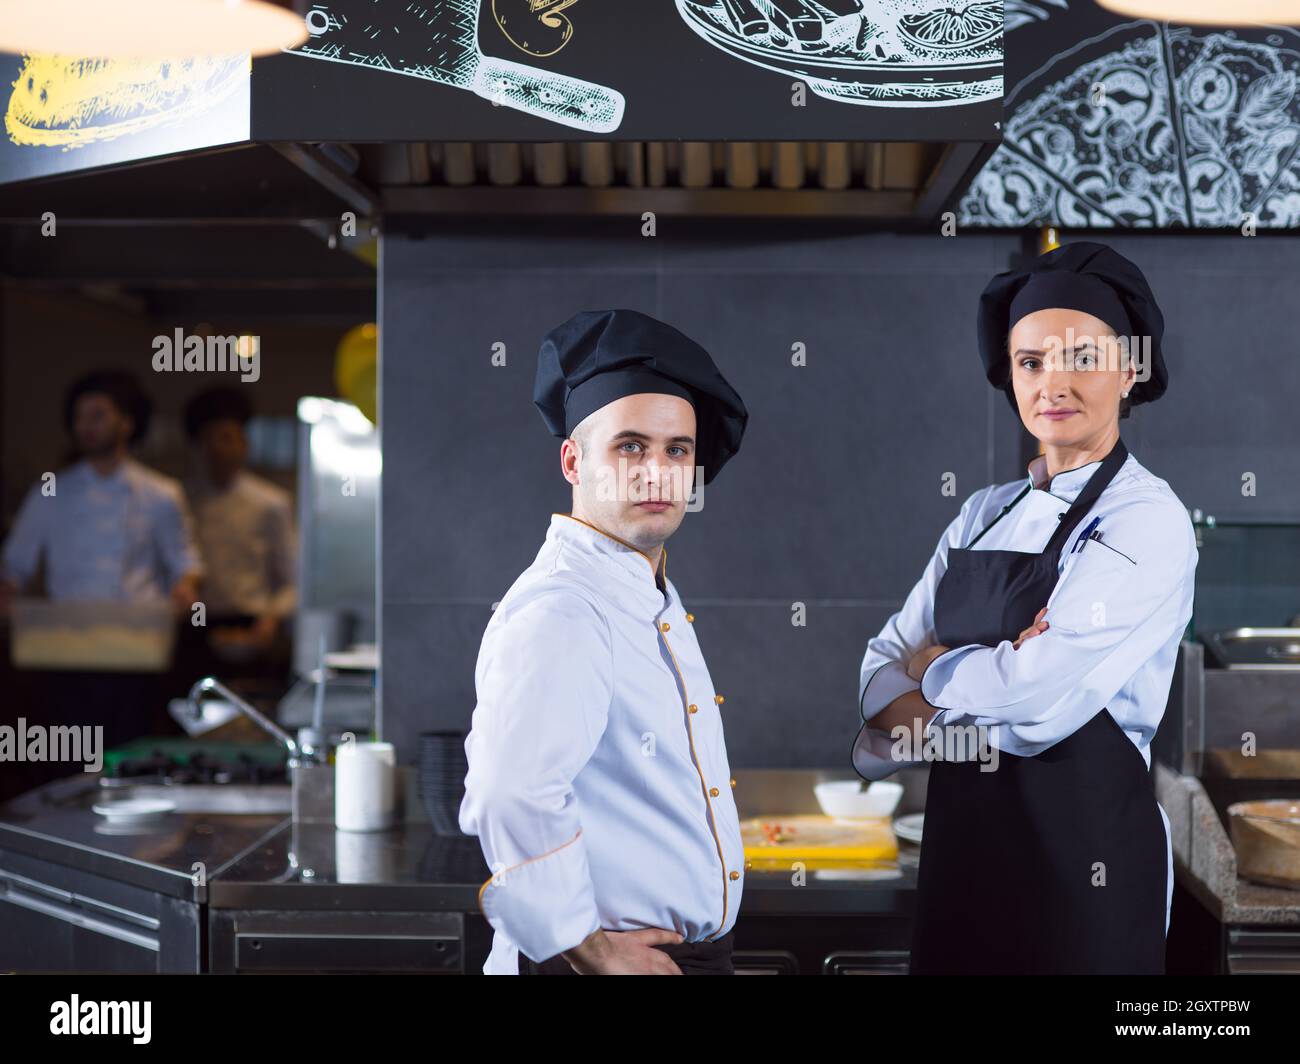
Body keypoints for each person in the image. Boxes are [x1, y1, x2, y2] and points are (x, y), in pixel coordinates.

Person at [853, 242, 1197, 974]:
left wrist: (936, 664)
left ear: (1130, 369)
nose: (1053, 383)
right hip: (962, 871)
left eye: (1082, 358)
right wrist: (986, 679)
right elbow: (877, 672)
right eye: (1031, 362)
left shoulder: (1148, 518)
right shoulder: (982, 512)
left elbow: (1034, 692)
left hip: (1084, 882)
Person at [460, 308, 749, 975]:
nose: (657, 472)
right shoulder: (566, 606)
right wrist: (589, 949)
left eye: (677, 450)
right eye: (630, 447)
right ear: (572, 460)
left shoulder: (643, 588)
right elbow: (508, 790)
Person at [0, 370, 203, 749]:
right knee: (70, 754)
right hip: (65, 647)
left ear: (127, 423)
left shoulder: (161, 493)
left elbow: (184, 561)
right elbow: (15, 564)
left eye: (98, 415)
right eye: (79, 417)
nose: (86, 427)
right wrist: (8, 591)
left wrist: (186, 589)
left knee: (131, 751)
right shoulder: (51, 490)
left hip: (138, 645)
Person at [182, 386, 295, 671]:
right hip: (195, 625)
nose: (218, 449)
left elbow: (292, 579)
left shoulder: (269, 503)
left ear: (244, 442)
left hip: (253, 626)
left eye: (227, 438)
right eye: (208, 439)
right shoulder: (181, 499)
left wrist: (270, 620)